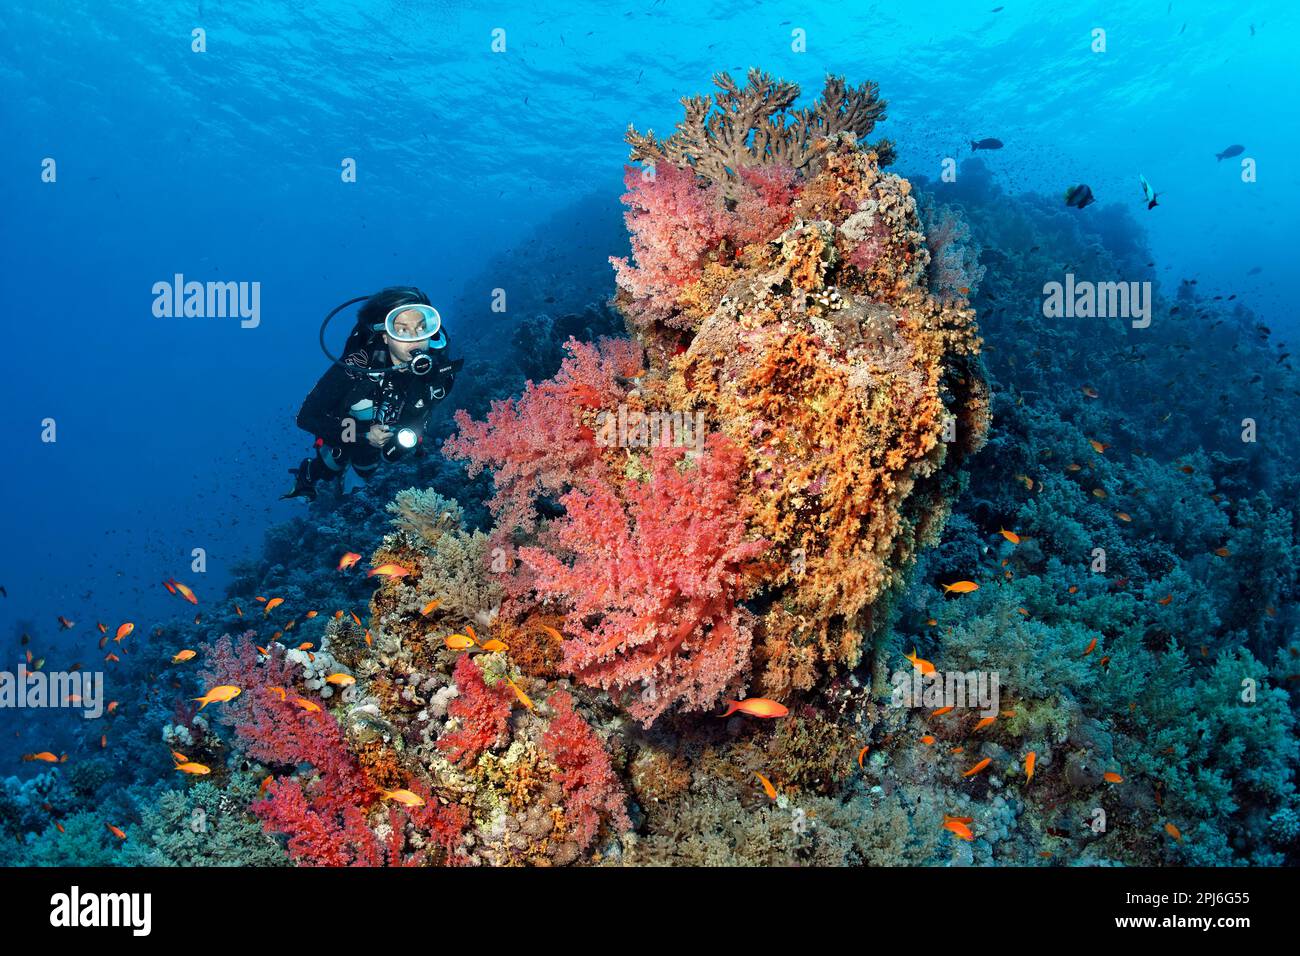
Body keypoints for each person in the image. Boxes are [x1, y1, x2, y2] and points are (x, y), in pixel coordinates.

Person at [283, 287, 460, 501]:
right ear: (385, 336)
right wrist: (364, 434)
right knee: (333, 463)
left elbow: (425, 409)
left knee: (366, 466)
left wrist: (406, 435)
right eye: (402, 330)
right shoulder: (356, 365)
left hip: (387, 424)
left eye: (422, 328)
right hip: (350, 422)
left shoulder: (438, 369)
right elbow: (306, 417)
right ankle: (309, 473)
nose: (415, 339)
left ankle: (351, 484)